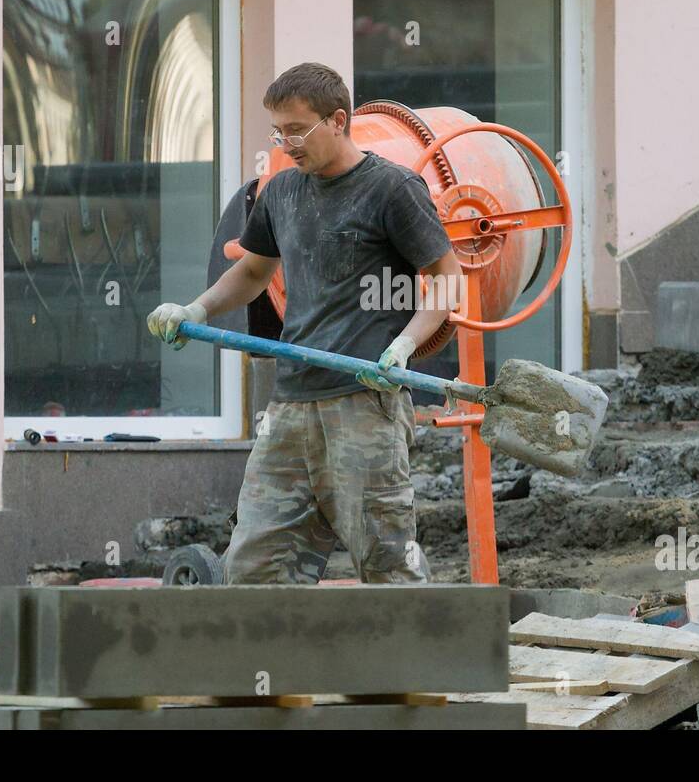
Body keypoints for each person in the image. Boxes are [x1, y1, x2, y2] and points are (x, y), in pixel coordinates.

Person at [146, 62, 462, 583]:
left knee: (387, 561)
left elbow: (447, 281)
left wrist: (404, 345)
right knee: (256, 565)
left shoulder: (392, 190)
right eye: (278, 130)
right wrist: (194, 309)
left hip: (365, 401)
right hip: (290, 407)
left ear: (337, 120)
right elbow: (250, 272)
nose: (286, 141)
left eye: (297, 128)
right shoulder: (281, 192)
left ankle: (412, 662)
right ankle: (270, 666)